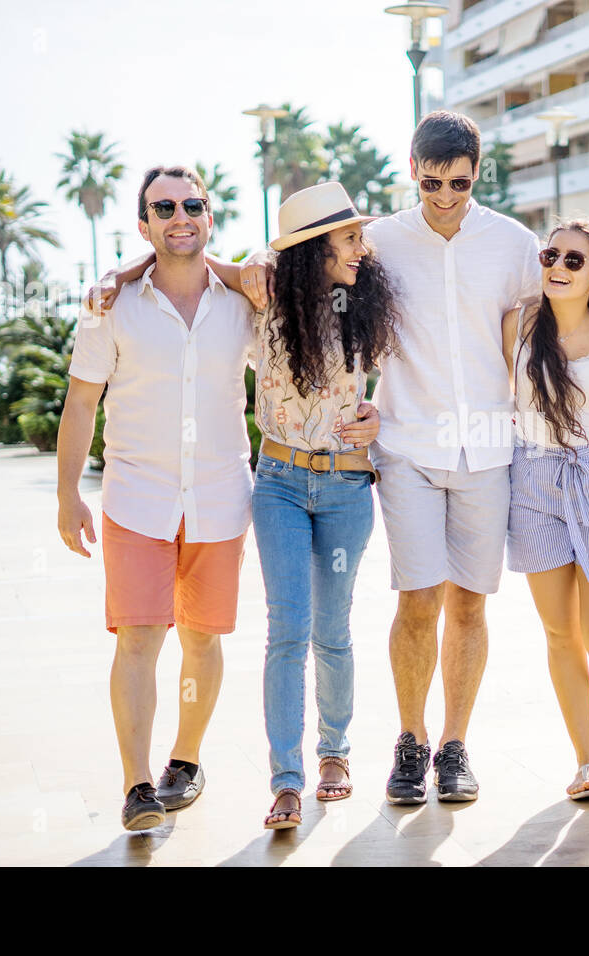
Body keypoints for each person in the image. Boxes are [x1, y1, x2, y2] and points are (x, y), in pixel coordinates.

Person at [239, 111, 589, 805]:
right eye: (430, 182)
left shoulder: (515, 245)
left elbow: (572, 303)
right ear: (413, 170)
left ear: (476, 173)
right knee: (417, 601)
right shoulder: (382, 241)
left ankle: (455, 746)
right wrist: (255, 262)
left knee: (471, 607)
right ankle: (410, 740)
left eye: (458, 182)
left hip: (490, 452)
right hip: (406, 447)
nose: (445, 195)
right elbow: (307, 262)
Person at [89, 182, 391, 831]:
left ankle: (333, 753)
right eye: (348, 237)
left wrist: (380, 416)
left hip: (345, 486)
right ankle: (285, 780)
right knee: (287, 631)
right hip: (280, 484)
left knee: (331, 631)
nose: (361, 247)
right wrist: (128, 269)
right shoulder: (263, 299)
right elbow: (197, 265)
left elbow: (406, 382)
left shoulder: (367, 300)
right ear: (315, 247)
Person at [57, 165, 256, 831]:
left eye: (192, 204)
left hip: (221, 499)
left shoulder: (245, 302)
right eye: (163, 207)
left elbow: (301, 358)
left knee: (201, 639)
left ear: (209, 216)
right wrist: (67, 495)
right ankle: (138, 783)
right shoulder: (111, 305)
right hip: (135, 499)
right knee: (139, 638)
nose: (180, 215)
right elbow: (82, 399)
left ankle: (186, 760)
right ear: (143, 225)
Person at [500, 219, 589, 800]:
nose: (557, 265)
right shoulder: (518, 324)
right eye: (550, 254)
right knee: (561, 634)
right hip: (531, 481)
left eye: (574, 260)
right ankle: (585, 759)